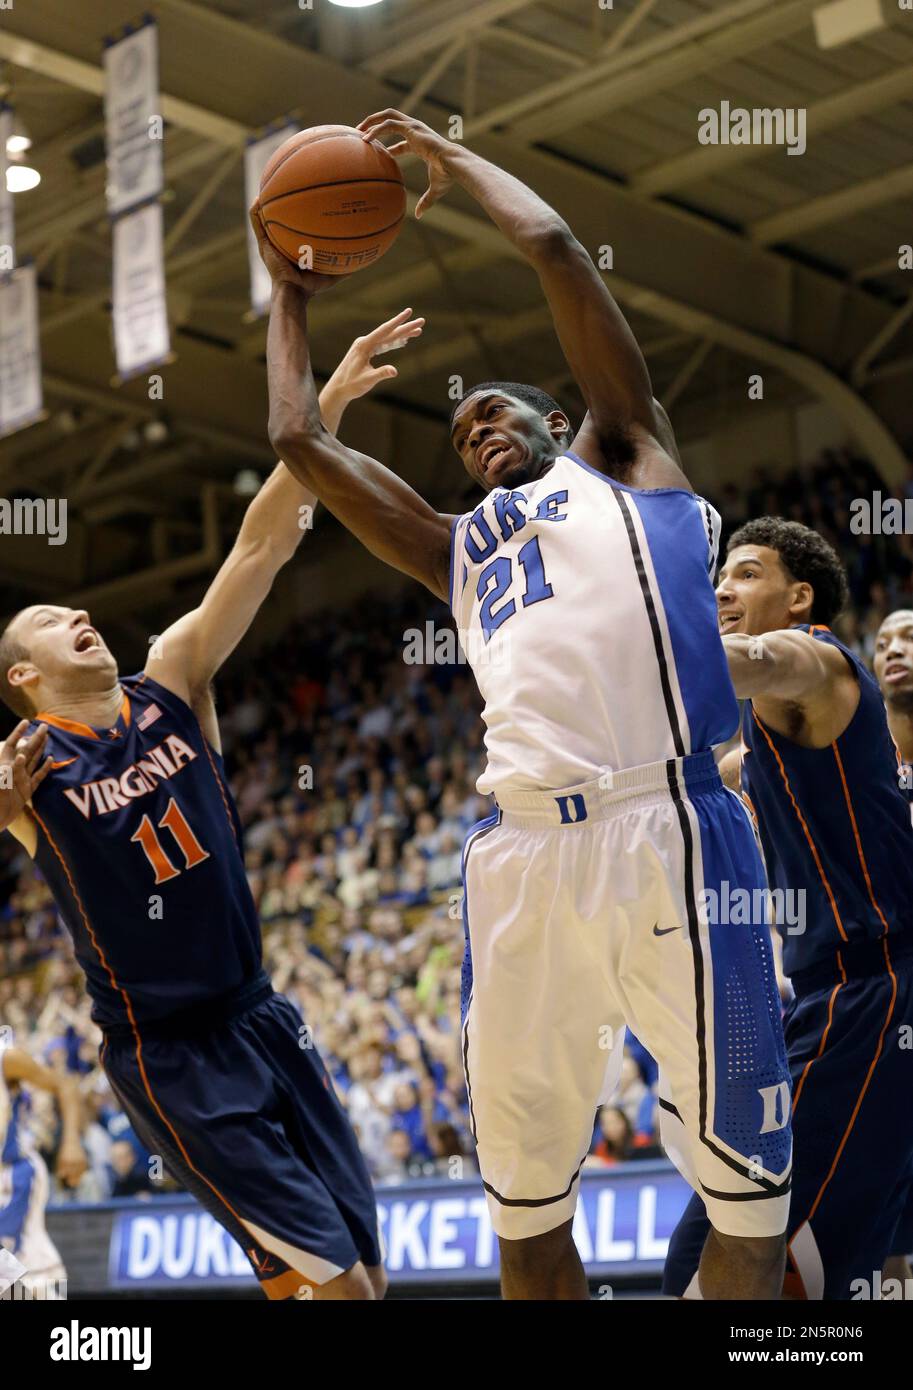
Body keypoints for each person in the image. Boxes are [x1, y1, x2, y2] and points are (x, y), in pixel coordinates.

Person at [251, 108, 792, 1301]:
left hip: (677, 830)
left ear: (561, 420)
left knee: (747, 1195)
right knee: (524, 1205)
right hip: (519, 859)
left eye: (495, 409)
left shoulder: (626, 458)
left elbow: (552, 245)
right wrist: (286, 284)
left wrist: (450, 163)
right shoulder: (450, 546)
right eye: (457, 429)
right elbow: (294, 433)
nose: (476, 428)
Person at [0, 312, 424, 1302]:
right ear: (25, 674)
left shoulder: (172, 680)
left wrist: (323, 414)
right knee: (337, 1289)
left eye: (82, 614)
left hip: (264, 1015)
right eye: (57, 623)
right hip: (169, 1051)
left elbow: (261, 544)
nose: (81, 617)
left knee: (355, 1274)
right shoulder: (27, 771)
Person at [665, 519, 913, 1300]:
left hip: (872, 991)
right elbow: (687, 781)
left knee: (723, 1243)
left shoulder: (813, 658)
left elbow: (757, 660)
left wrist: (627, 624)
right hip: (829, 998)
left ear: (799, 598)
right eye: (717, 581)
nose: (722, 593)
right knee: (849, 1268)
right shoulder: (764, 736)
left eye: (743, 575)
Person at [0, 1033, 86, 1299]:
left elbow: (66, 1085)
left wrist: (71, 1141)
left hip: (12, 1178)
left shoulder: (8, 1058)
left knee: (21, 1279)